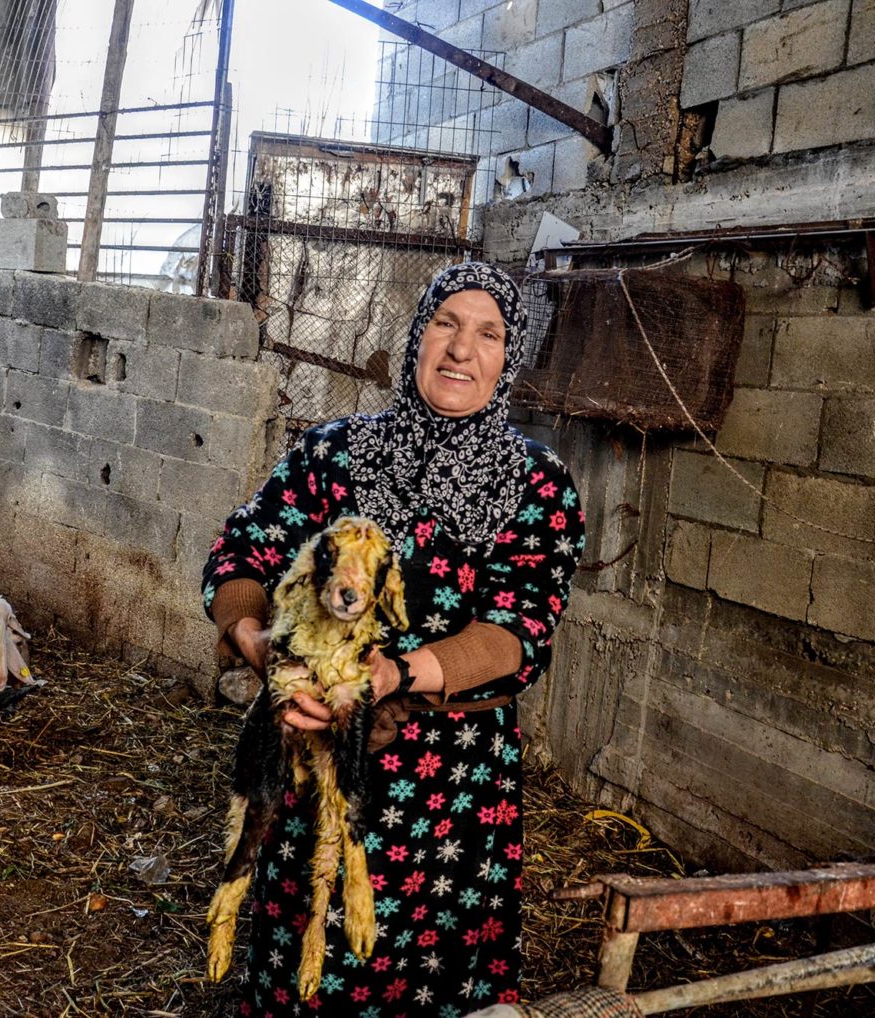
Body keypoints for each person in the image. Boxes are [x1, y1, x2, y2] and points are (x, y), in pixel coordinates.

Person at [202, 262, 585, 1018]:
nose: (461, 350)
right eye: (446, 324)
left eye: (489, 335)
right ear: (417, 336)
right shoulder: (334, 453)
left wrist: (393, 675)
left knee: (431, 969)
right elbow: (244, 550)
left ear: (509, 358)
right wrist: (258, 643)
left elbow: (518, 629)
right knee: (311, 948)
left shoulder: (537, 484)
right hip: (316, 752)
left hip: (453, 783)